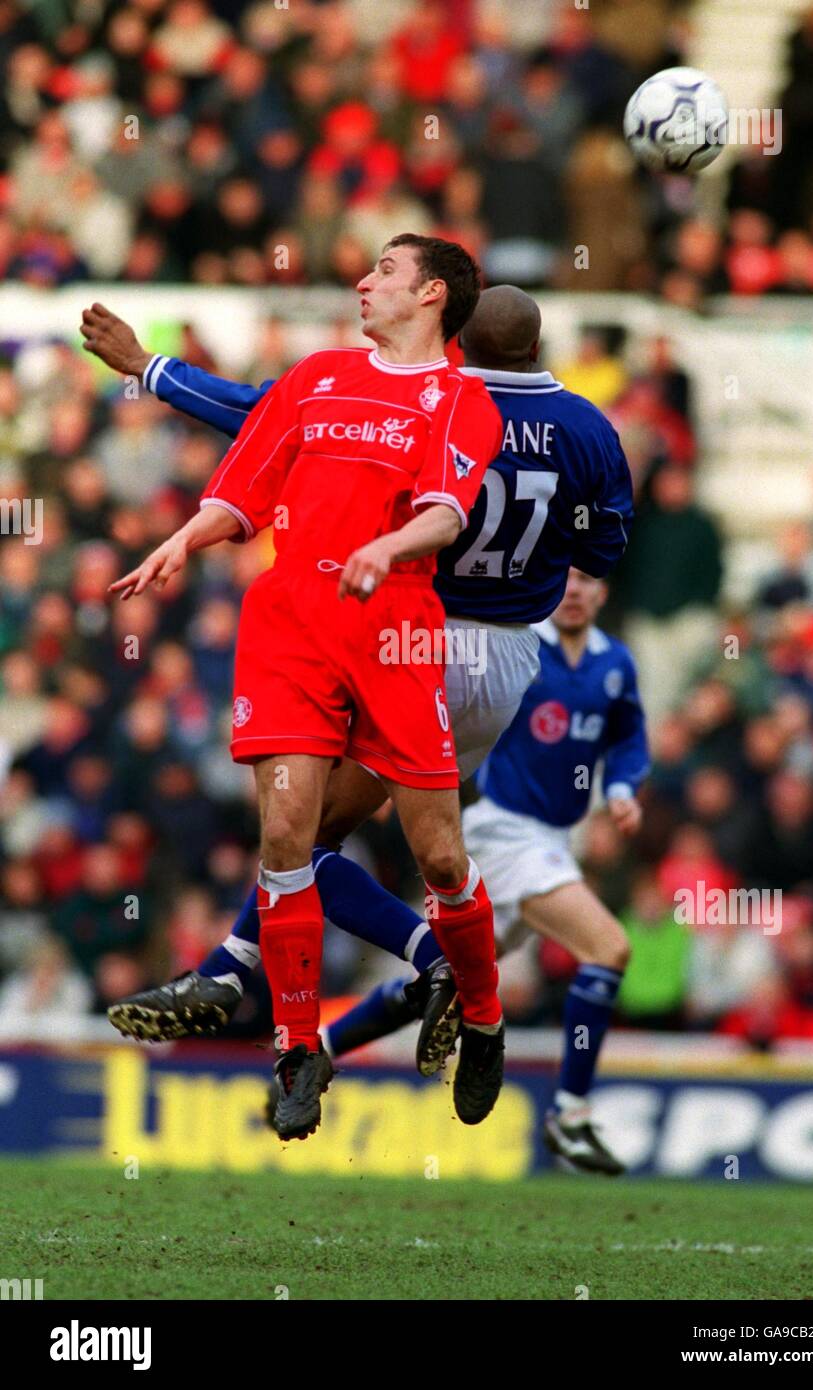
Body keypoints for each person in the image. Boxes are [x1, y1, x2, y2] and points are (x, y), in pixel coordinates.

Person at [81, 278, 635, 1111]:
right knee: (346, 838)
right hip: (507, 658)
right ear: (534, 346)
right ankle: (254, 972)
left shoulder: (434, 394)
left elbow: (263, 414)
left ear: (460, 337)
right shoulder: (590, 427)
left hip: (408, 632)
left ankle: (278, 973)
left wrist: (150, 369)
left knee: (302, 839)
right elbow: (608, 542)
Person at [101, 235, 507, 1140]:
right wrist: (184, 539)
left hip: (397, 630)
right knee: (286, 831)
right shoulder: (315, 375)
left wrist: (388, 547)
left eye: (386, 272)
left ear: (433, 293)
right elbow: (243, 490)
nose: (363, 281)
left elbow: (446, 512)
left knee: (440, 856)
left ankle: (482, 1017)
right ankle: (294, 1048)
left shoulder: (462, 400)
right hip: (290, 626)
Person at [323, 568, 649, 1175]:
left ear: (605, 591)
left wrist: (625, 786)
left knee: (446, 978)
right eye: (567, 578)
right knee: (608, 948)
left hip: (555, 843)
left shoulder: (615, 664)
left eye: (588, 579)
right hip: (506, 833)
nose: (575, 589)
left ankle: (325, 1047)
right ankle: (570, 1115)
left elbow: (629, 737)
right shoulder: (518, 644)